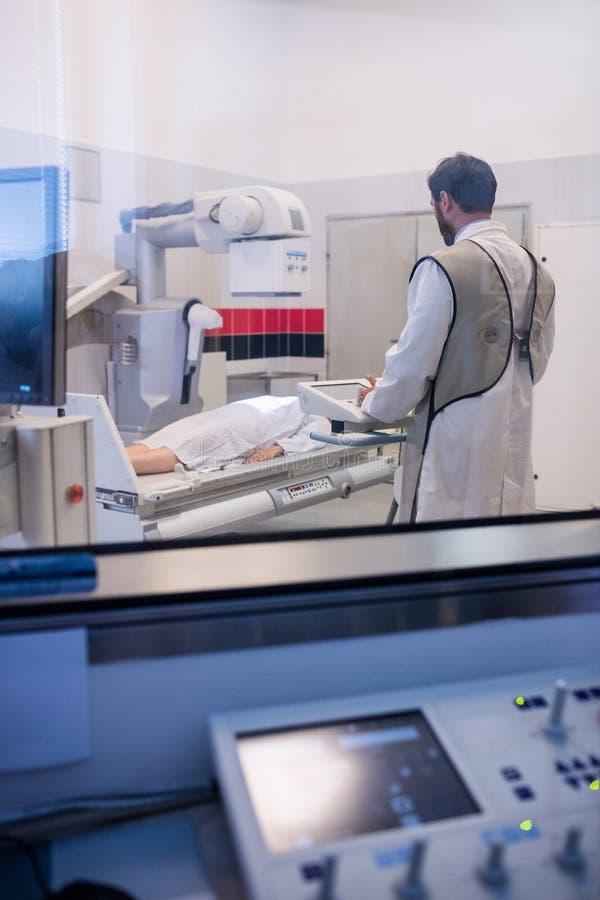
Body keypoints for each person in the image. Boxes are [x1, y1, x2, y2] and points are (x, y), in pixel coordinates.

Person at [359, 152, 555, 522]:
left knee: (446, 563)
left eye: (433, 203)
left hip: (453, 461)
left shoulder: (444, 267)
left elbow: (412, 366)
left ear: (444, 200)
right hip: (513, 458)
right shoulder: (538, 274)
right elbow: (536, 366)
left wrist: (376, 401)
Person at [126, 394, 329, 474]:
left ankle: (113, 460)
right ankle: (120, 465)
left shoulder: (305, 405)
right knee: (194, 443)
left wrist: (274, 450)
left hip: (238, 414)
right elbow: (313, 437)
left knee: (182, 433)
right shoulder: (318, 412)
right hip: (246, 423)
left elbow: (312, 435)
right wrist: (275, 450)